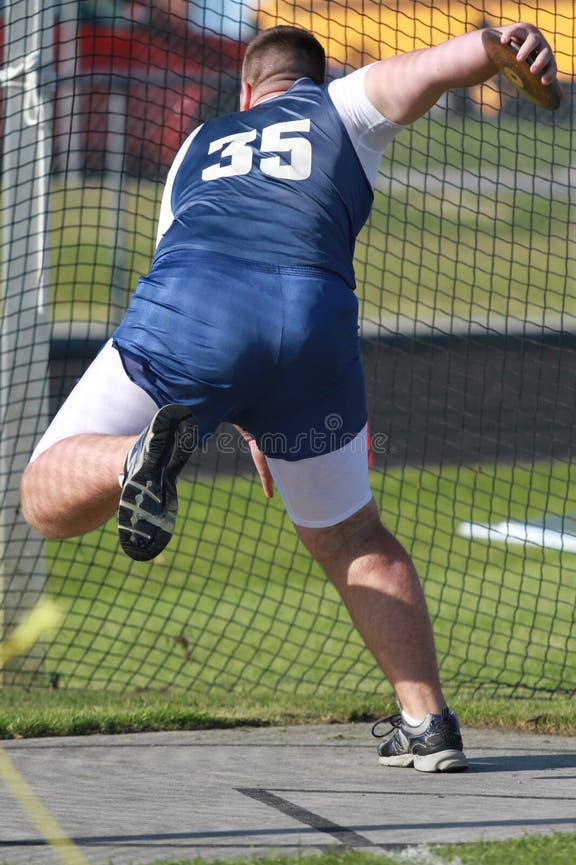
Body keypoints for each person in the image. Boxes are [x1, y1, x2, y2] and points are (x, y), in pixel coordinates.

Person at [20, 22, 559, 772]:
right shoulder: (340, 105)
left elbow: (187, 268)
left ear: (248, 89)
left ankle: (131, 458)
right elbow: (442, 63)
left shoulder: (198, 144)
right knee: (353, 536)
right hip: (310, 328)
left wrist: (230, 402)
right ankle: (427, 720)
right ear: (315, 77)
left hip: (193, 309)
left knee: (44, 496)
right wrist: (517, 53)